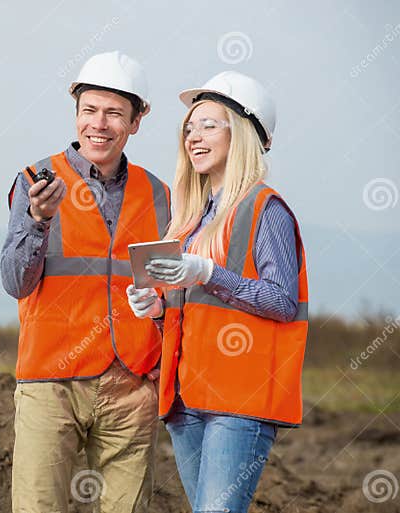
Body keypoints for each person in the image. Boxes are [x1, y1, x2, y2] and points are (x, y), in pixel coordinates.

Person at [126, 70, 308, 513]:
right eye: (189, 127)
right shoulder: (189, 219)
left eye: (209, 124)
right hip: (187, 401)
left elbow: (283, 302)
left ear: (243, 133)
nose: (194, 136)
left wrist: (209, 271)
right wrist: (155, 308)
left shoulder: (267, 209)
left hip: (238, 402)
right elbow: (194, 309)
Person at [1, 51, 171, 513]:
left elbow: (167, 290)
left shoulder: (158, 194)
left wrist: (161, 355)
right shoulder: (37, 180)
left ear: (137, 120)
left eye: (115, 113)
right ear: (75, 113)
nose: (100, 124)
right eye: (89, 111)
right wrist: (38, 219)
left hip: (130, 384)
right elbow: (16, 281)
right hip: (50, 381)